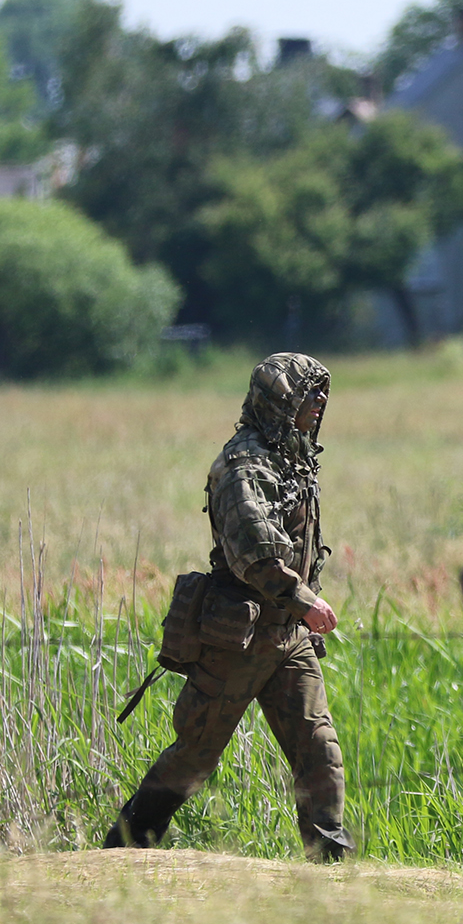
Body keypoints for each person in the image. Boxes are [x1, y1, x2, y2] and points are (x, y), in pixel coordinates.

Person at [104, 352, 351, 860]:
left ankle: (329, 858)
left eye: (322, 394)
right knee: (195, 756)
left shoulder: (294, 458)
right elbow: (254, 553)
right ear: (280, 402)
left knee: (319, 748)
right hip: (240, 636)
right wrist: (304, 600)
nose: (320, 402)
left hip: (289, 636)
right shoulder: (244, 466)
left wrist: (300, 612)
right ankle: (124, 848)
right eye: (309, 394)